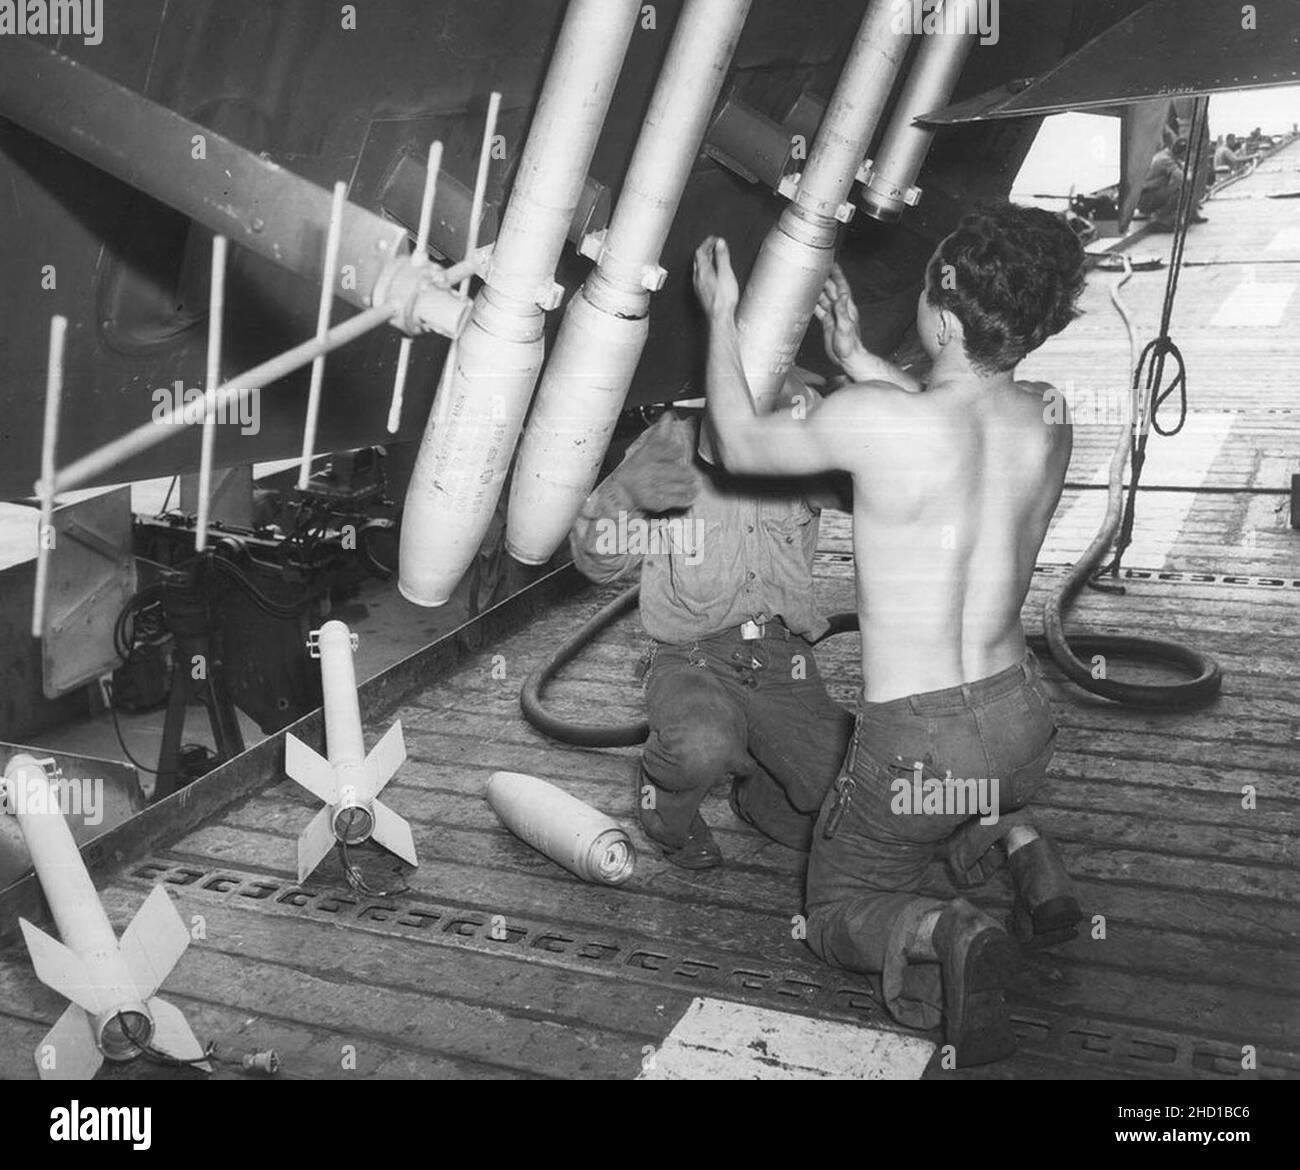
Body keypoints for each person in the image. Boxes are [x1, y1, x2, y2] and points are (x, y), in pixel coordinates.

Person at [692, 203, 1086, 1066]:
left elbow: (734, 445)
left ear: (942, 320)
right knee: (951, 806)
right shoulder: (1052, 413)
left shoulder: (876, 418)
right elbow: (964, 425)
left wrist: (721, 317)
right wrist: (864, 365)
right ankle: (1023, 849)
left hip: (920, 740)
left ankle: (946, 930)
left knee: (834, 909)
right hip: (1019, 726)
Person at [568, 383, 854, 869]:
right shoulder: (671, 445)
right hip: (690, 656)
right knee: (700, 742)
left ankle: (760, 794)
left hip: (783, 661)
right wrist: (623, 495)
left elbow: (879, 491)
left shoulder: (802, 420)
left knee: (850, 798)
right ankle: (662, 804)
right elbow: (595, 564)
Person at [1137, 137, 1207, 230]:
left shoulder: (1167, 156)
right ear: (1182, 153)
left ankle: (1184, 215)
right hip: (1146, 199)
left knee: (1182, 187)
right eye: (1186, 154)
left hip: (1148, 196)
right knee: (1182, 190)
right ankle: (1162, 219)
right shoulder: (1165, 160)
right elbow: (1183, 178)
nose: (1187, 157)